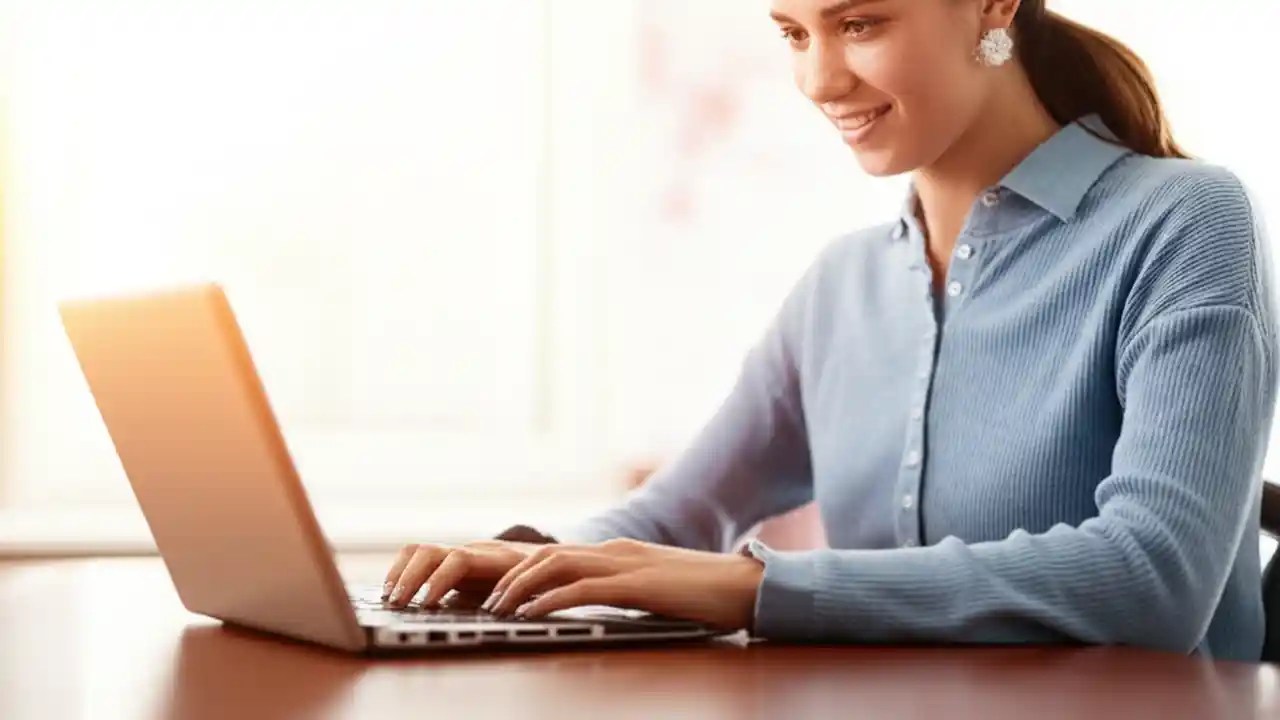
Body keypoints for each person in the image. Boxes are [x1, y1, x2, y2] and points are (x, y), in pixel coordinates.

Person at [382, 0, 1278, 661]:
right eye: (793, 34)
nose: (819, 81)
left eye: (860, 24)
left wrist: (757, 586)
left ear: (995, 6)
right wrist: (522, 563)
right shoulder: (843, 286)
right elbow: (677, 515)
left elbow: (1153, 579)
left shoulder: (1184, 223)